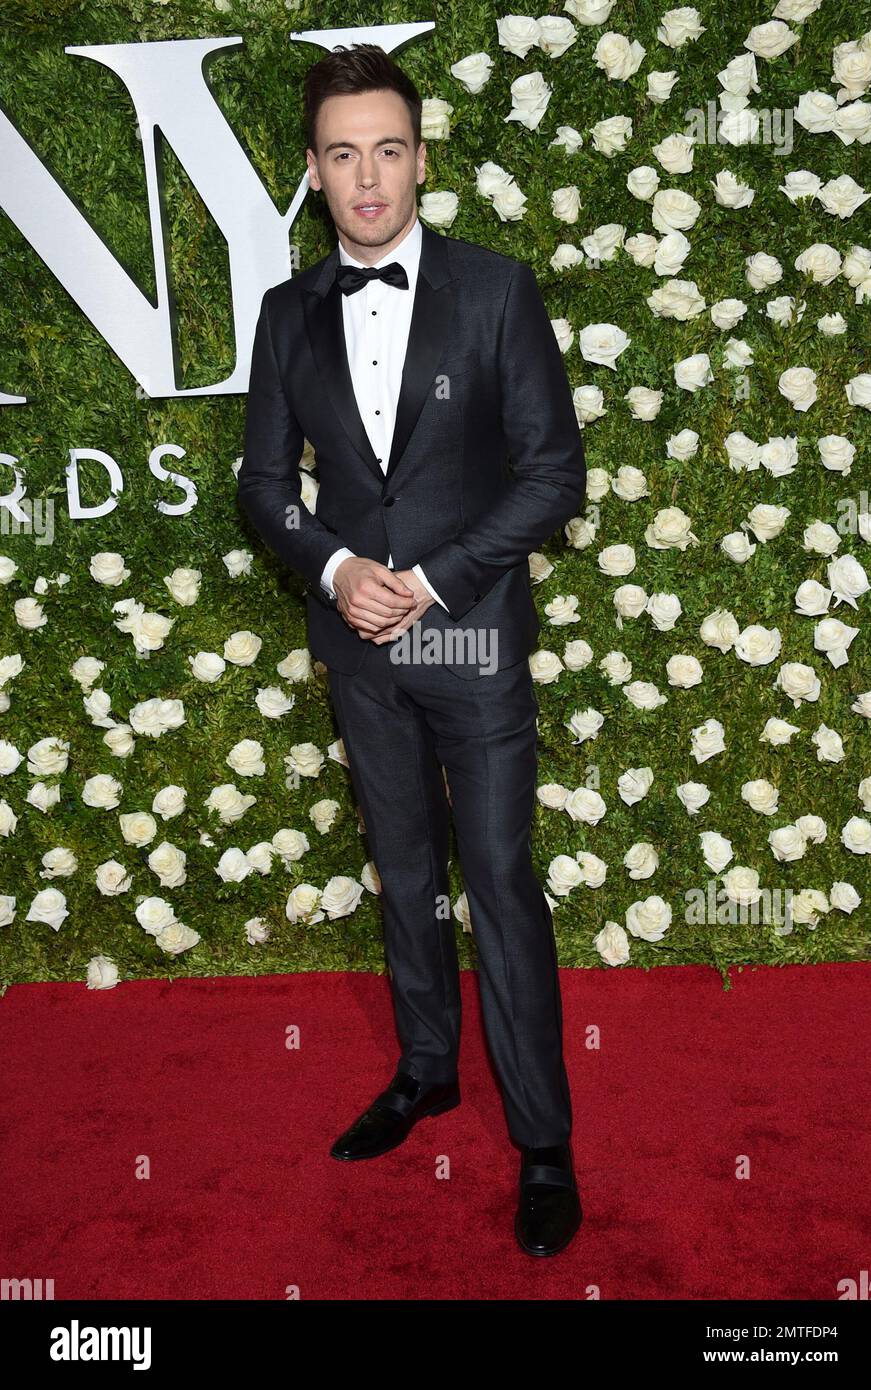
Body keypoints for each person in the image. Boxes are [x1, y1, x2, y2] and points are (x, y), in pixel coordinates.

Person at [238, 42, 586, 1257]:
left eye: (389, 150)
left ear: (421, 159)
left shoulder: (495, 290)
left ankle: (544, 1140)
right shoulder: (287, 315)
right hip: (362, 654)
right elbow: (265, 490)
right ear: (318, 173)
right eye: (344, 155)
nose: (369, 178)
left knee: (497, 877)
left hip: (473, 639)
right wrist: (337, 569)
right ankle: (428, 1070)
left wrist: (431, 581)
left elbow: (555, 475)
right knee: (401, 871)